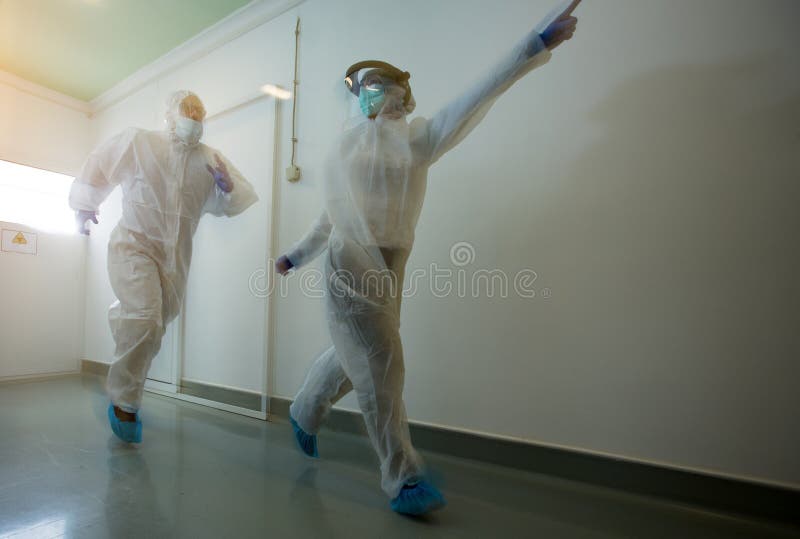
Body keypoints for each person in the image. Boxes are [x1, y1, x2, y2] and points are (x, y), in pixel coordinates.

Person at [276, 0, 582, 515]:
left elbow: (474, 97)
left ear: (400, 94)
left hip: (392, 268)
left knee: (358, 361)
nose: (371, 93)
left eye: (380, 85)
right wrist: (294, 256)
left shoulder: (417, 141)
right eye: (364, 86)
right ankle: (403, 478)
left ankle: (305, 410)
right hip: (347, 266)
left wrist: (533, 46)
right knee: (385, 367)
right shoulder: (345, 149)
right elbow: (330, 219)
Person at [70, 91, 258, 443]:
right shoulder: (141, 142)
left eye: (199, 113)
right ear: (170, 113)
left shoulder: (210, 159)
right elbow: (100, 164)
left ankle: (124, 327)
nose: (194, 117)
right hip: (133, 247)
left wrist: (228, 188)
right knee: (144, 318)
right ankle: (124, 402)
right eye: (188, 111)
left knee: (154, 323)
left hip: (176, 259)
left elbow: (234, 201)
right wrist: (84, 205)